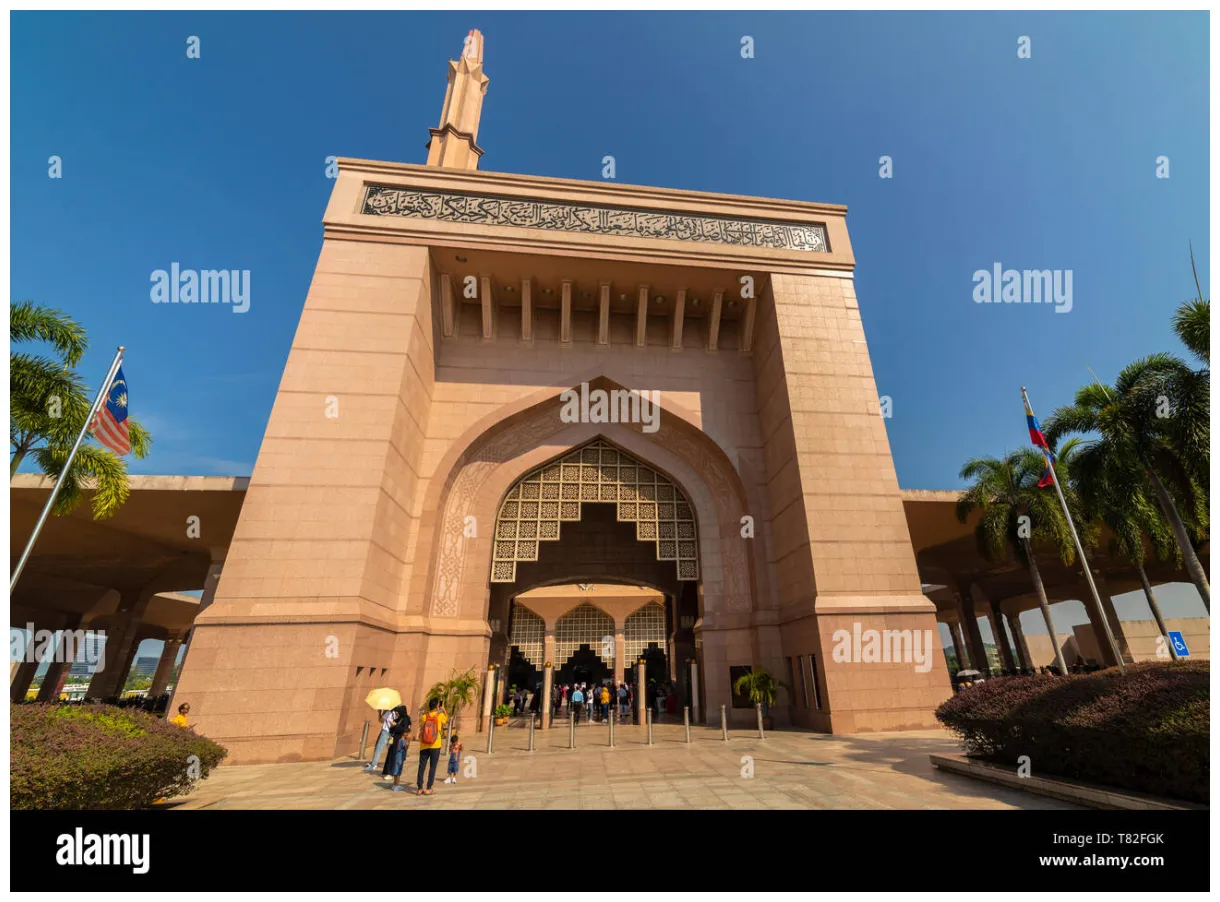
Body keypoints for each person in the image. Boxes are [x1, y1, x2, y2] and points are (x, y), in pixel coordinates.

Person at [415, 698, 448, 796]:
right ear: (437, 706)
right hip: (435, 744)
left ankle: (419, 788)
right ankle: (429, 788)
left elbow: (422, 727)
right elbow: (447, 720)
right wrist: (443, 709)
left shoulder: (424, 716)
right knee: (432, 767)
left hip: (424, 744)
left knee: (422, 766)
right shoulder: (440, 715)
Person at [382, 705, 411, 791]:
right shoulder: (398, 718)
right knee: (395, 760)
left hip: (399, 741)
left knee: (398, 761)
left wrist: (396, 726)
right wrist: (393, 726)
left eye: (398, 712)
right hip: (395, 741)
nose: (397, 714)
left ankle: (395, 782)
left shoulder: (405, 719)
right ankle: (394, 781)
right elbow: (393, 730)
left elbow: (405, 729)